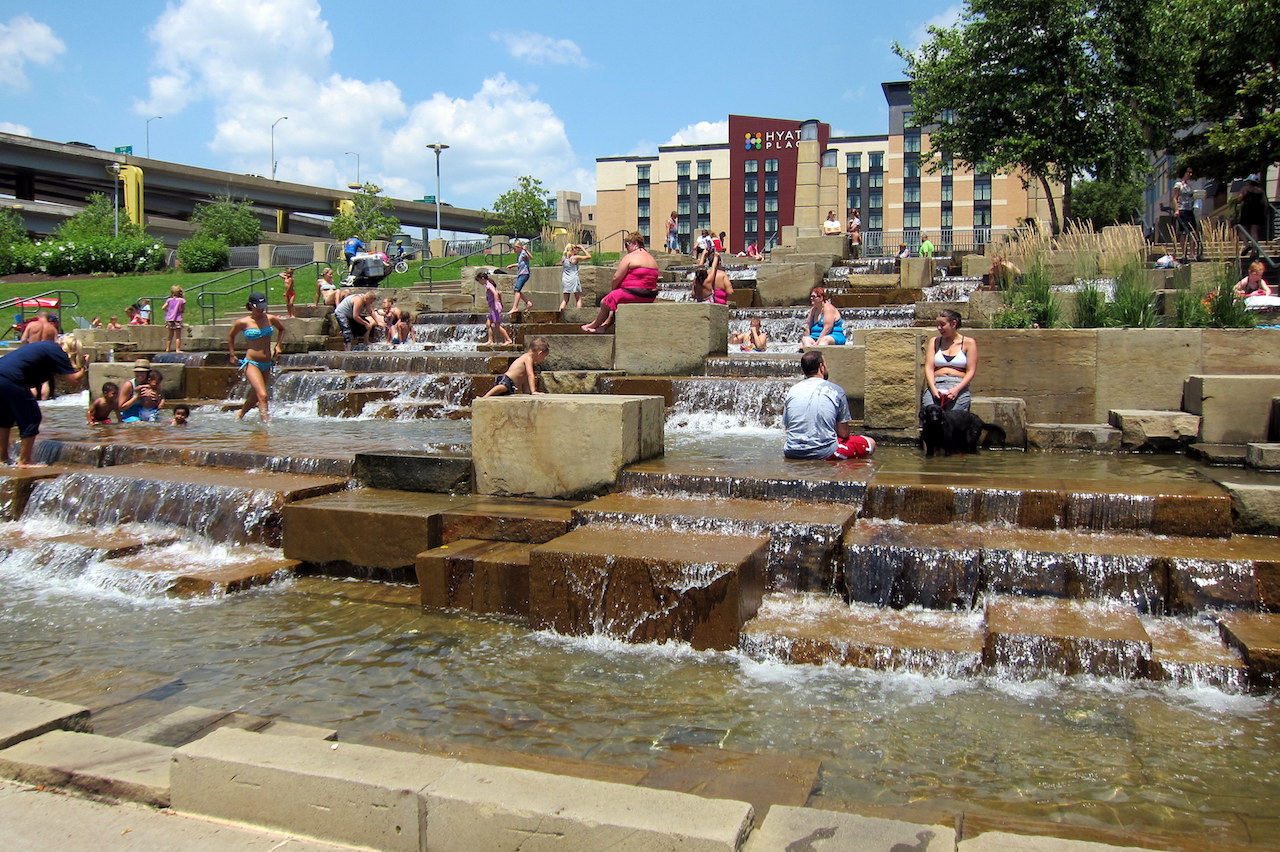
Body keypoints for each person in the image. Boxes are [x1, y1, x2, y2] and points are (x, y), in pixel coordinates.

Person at [0, 340, 85, 467]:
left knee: (5, 419)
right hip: (12, 379)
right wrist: (85, 367)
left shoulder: (48, 348)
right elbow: (73, 382)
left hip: (3, 375)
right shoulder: (58, 352)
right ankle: (25, 461)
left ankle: (3, 458)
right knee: (32, 417)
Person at [782, 350, 875, 460]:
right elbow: (843, 433)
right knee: (870, 443)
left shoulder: (792, 390)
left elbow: (788, 426)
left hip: (791, 451)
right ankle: (844, 472)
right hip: (824, 452)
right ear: (821, 367)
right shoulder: (835, 390)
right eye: (826, 364)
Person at [581, 231, 660, 333]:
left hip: (635, 294)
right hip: (649, 296)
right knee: (616, 302)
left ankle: (594, 325)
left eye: (627, 244)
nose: (626, 248)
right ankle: (603, 327)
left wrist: (613, 290)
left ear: (635, 243)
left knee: (605, 302)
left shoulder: (630, 257)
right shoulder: (651, 258)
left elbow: (616, 277)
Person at [228, 292, 286, 421]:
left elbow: (282, 329)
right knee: (263, 395)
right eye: (257, 306)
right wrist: (232, 354)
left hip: (267, 363)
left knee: (256, 396)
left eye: (262, 306)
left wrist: (278, 345)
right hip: (251, 363)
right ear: (250, 306)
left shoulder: (270, 319)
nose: (261, 309)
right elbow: (231, 336)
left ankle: (240, 414)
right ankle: (266, 425)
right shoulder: (242, 322)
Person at [922, 308, 978, 412]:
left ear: (953, 323)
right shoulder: (935, 341)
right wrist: (934, 389)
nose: (939, 328)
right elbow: (929, 368)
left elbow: (971, 371)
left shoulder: (969, 343)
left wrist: (956, 390)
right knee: (930, 414)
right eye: (937, 325)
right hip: (936, 383)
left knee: (955, 419)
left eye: (942, 325)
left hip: (958, 385)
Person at [483, 337, 549, 397]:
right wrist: (533, 391)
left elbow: (526, 379)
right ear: (540, 353)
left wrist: (527, 392)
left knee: (504, 391)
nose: (544, 359)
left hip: (512, 386)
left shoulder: (529, 359)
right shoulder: (528, 358)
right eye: (544, 356)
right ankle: (485, 397)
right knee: (502, 387)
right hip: (506, 380)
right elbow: (530, 375)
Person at [1171, 166, 1200, 262]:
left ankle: (1192, 252)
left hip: (1189, 209)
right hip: (1182, 209)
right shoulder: (1178, 184)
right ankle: (1184, 253)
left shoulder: (1189, 186)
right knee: (1184, 232)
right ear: (1184, 173)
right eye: (1189, 172)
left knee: (1193, 231)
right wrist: (1176, 209)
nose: (1190, 174)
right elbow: (1175, 197)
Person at [479, 270, 512, 346]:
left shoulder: (489, 285)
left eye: (479, 280)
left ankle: (508, 339)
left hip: (495, 308)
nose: (479, 282)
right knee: (488, 324)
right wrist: (500, 303)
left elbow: (495, 293)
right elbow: (499, 293)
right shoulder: (489, 285)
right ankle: (490, 340)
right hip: (493, 308)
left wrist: (497, 303)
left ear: (483, 278)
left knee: (497, 325)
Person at [506, 240, 535, 316]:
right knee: (516, 290)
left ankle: (515, 307)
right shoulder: (520, 254)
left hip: (524, 274)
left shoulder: (523, 253)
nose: (514, 250)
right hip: (521, 274)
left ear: (519, 247)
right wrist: (512, 265)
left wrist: (526, 250)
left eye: (515, 249)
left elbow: (531, 258)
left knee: (517, 290)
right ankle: (528, 303)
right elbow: (520, 263)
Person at [1237, 175, 1267, 246]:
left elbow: (1239, 199)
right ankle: (1254, 251)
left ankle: (1246, 244)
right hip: (1258, 212)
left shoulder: (1245, 189)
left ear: (1249, 181)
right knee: (1254, 232)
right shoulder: (1260, 191)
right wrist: (1264, 212)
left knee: (1242, 230)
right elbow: (1265, 203)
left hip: (1247, 211)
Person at [559, 244, 590, 311]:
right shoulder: (575, 258)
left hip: (565, 279)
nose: (577, 250)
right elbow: (588, 256)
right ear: (572, 250)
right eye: (575, 248)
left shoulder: (563, 258)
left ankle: (559, 314)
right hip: (573, 279)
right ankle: (578, 315)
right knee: (578, 299)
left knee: (565, 300)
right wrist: (582, 248)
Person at [163, 285, 186, 353]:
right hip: (177, 319)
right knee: (178, 335)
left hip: (169, 319)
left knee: (170, 335)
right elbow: (183, 310)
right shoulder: (182, 300)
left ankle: (167, 349)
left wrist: (168, 311)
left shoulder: (169, 300)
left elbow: (163, 307)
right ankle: (177, 349)